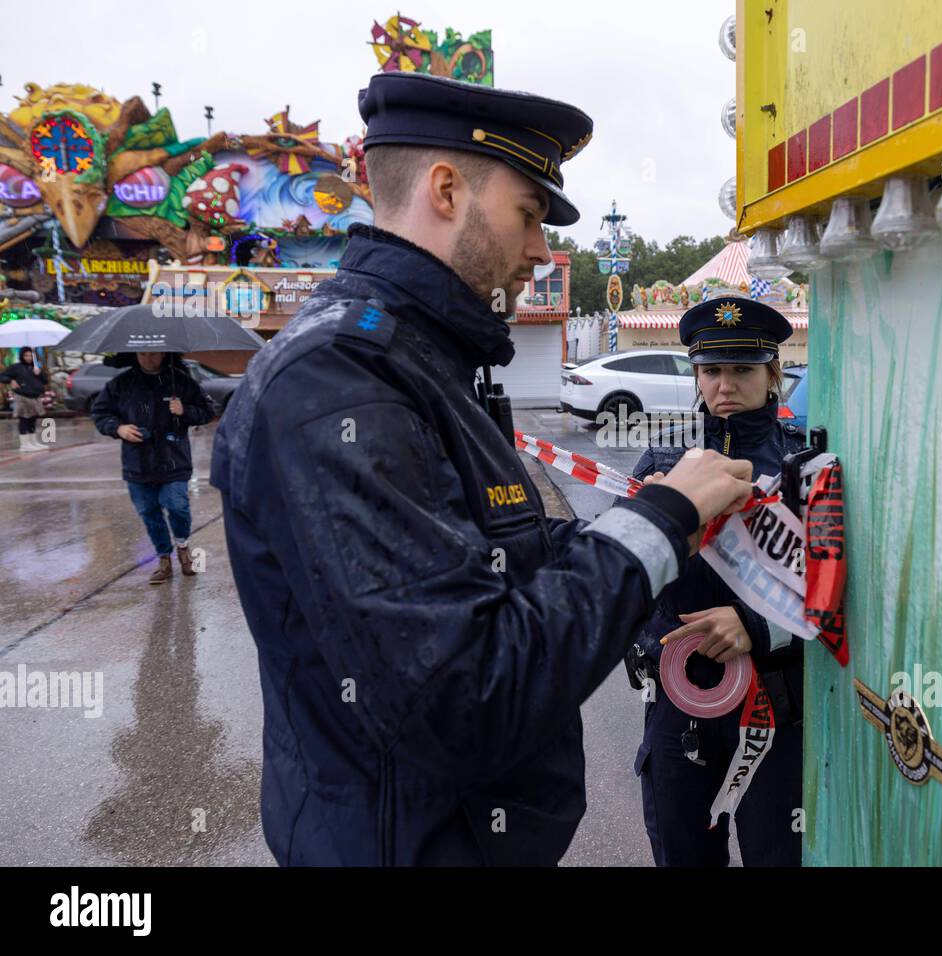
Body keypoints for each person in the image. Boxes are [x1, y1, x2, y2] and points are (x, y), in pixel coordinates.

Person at [209, 72, 754, 866]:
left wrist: (657, 522)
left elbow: (497, 568)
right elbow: (467, 696)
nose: (541, 249)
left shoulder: (420, 361)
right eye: (529, 215)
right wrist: (658, 523)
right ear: (444, 189)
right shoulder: (339, 381)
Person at [628, 295, 807, 867]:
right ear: (697, 375)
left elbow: (835, 597)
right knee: (682, 857)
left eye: (742, 369)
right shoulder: (662, 460)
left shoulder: (805, 468)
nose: (725, 384)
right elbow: (627, 584)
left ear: (772, 372)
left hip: (771, 707)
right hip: (678, 705)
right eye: (711, 370)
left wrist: (756, 625)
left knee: (775, 857)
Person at [91, 352, 215, 583]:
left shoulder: (180, 381)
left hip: (174, 459)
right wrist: (118, 428)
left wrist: (185, 410)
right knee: (149, 512)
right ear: (134, 355)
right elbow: (100, 413)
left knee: (176, 506)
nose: (148, 358)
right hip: (137, 463)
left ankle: (182, 546)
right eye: (142, 353)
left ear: (164, 354)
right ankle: (164, 558)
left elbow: (208, 410)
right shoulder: (121, 383)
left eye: (154, 353)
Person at [2, 347, 51, 453]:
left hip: (35, 396)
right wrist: (11, 380)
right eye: (26, 355)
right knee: (24, 419)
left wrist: (40, 373)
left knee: (33, 419)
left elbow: (46, 381)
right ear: (22, 356)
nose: (28, 358)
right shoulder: (16, 367)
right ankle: (25, 444)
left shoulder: (36, 367)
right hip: (23, 396)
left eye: (30, 355)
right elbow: (3, 376)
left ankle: (33, 442)